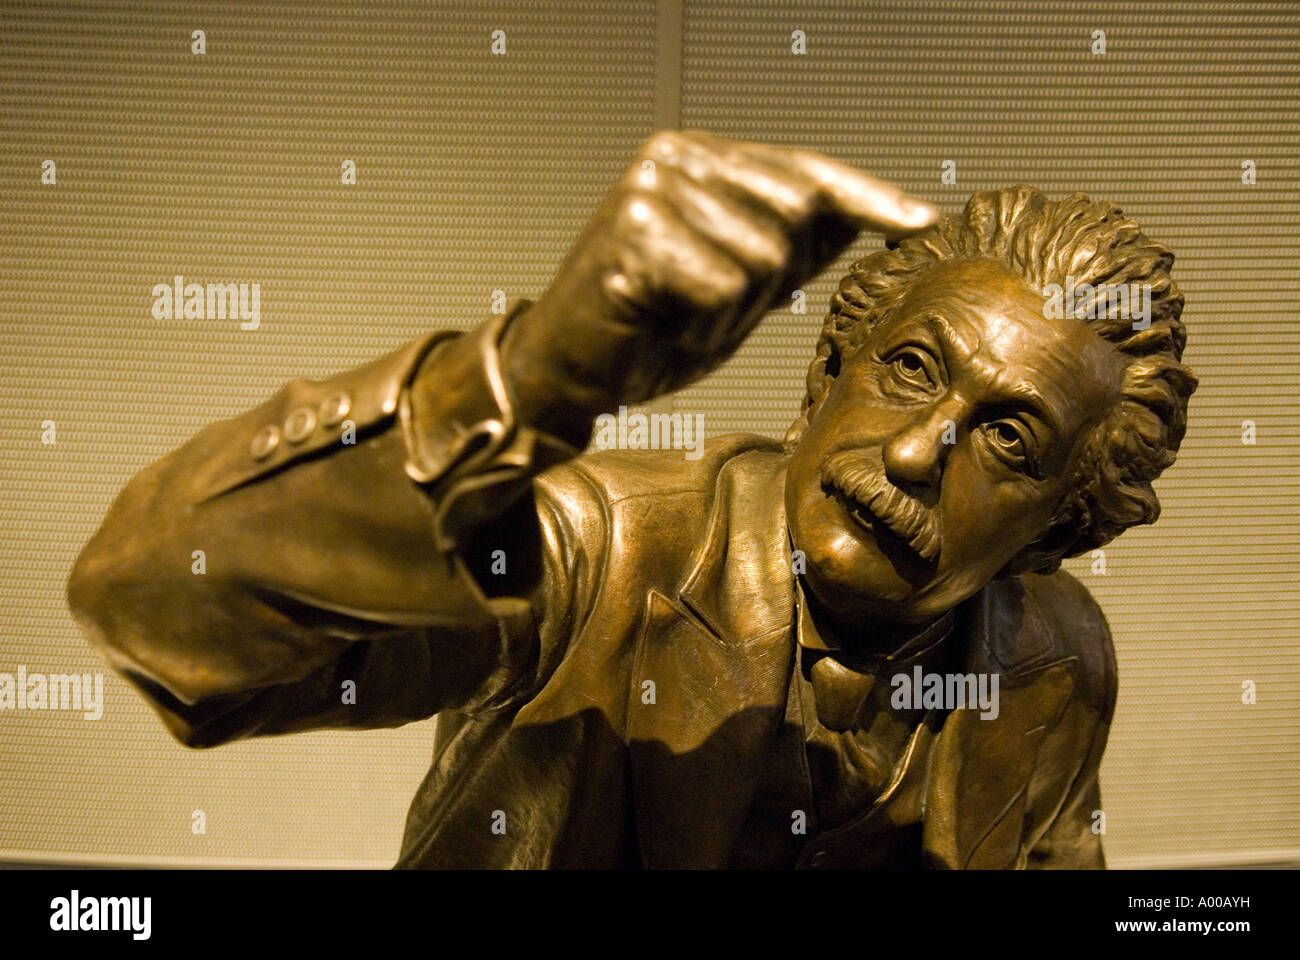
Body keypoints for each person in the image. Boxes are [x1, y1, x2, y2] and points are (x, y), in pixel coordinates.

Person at [67, 131, 1196, 868]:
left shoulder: (1054, 660)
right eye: (910, 368)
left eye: (1005, 436)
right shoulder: (593, 548)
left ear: (1061, 524)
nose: (911, 455)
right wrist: (525, 376)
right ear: (825, 374)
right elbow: (159, 610)